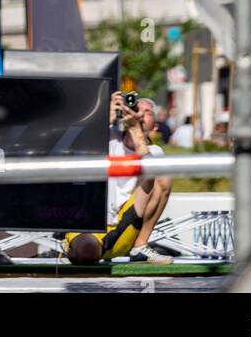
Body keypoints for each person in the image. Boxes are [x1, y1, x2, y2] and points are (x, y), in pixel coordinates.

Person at [65, 93, 172, 266]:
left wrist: (135, 129)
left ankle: (140, 245)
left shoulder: (155, 151)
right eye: (137, 109)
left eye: (148, 112)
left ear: (155, 126)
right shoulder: (108, 135)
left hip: (125, 225)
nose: (140, 114)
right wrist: (106, 116)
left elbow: (151, 171)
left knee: (160, 173)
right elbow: (72, 140)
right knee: (86, 251)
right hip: (90, 221)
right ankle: (75, 244)